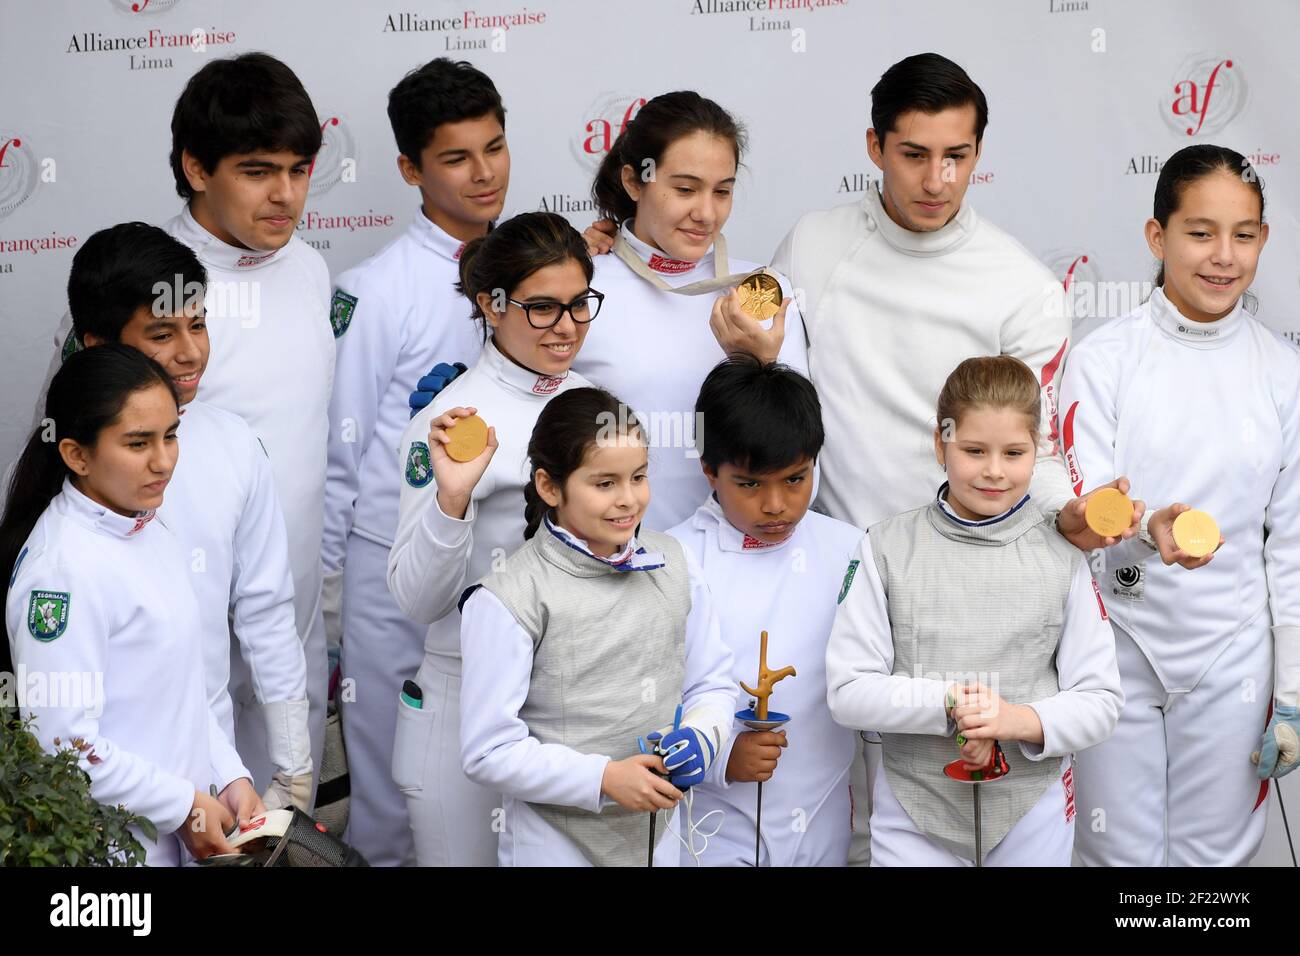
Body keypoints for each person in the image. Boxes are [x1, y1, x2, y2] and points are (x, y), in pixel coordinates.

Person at [1060, 144, 1300, 866]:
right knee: (1114, 857)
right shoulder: (1102, 361)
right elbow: (1082, 510)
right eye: (1200, 233)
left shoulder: (1283, 373)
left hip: (1232, 656)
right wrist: (1144, 526)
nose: (1224, 256)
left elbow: (1290, 548)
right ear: (1157, 237)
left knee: (1215, 862)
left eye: (1245, 234)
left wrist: (1290, 691)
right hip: (1116, 647)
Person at [826, 355, 1122, 865]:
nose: (993, 470)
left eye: (1013, 452)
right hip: (913, 807)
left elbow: (1101, 700)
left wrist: (1015, 719)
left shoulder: (1062, 555)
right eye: (973, 450)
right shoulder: (884, 548)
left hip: (1033, 806)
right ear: (941, 445)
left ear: (1038, 451)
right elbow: (849, 692)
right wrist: (950, 703)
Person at [324, 57, 509, 866]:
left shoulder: (540, 269)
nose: (484, 174)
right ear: (409, 169)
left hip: (507, 566)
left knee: (504, 782)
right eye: (456, 157)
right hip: (389, 575)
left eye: (495, 148)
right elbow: (340, 454)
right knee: (391, 796)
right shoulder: (375, 291)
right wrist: (330, 600)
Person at [64, 222, 312, 812]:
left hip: (216, 775)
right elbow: (66, 733)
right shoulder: (68, 468)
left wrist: (293, 765)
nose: (190, 351)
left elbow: (267, 610)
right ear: (98, 344)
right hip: (101, 806)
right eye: (161, 332)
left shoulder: (231, 443)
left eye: (197, 324)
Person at [387, 212, 599, 865]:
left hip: (573, 703)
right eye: (542, 308)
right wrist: (453, 499)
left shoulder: (593, 402)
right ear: (491, 304)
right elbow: (418, 602)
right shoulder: (450, 418)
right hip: (462, 700)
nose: (566, 327)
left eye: (580, 304)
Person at [458, 386, 736, 866]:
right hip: (553, 841)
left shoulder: (676, 561)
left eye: (639, 477)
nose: (628, 500)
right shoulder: (509, 597)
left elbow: (712, 681)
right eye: (605, 483)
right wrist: (603, 778)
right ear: (550, 487)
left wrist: (702, 735)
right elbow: (489, 750)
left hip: (662, 834)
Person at [2, 346, 257, 865]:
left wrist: (228, 773)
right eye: (138, 443)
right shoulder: (61, 574)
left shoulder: (147, 524)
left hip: (179, 839)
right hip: (108, 856)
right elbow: (61, 745)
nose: (163, 461)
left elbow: (182, 690)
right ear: (76, 454)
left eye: (171, 435)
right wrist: (184, 805)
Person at [164, 52, 333, 796]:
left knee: (283, 830)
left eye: (299, 170)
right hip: (180, 639)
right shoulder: (152, 286)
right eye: (259, 170)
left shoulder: (308, 270)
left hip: (288, 624)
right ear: (197, 168)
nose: (286, 195)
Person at [574, 90, 810, 532]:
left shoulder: (763, 291)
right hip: (616, 570)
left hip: (736, 571)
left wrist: (760, 368)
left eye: (722, 191)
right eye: (685, 189)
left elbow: (803, 474)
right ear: (633, 181)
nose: (706, 212)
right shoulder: (580, 288)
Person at [667, 356, 861, 866]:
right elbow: (641, 696)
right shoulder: (674, 560)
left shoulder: (853, 551)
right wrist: (719, 758)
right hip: (711, 819)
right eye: (750, 484)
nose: (776, 505)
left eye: (795, 479)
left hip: (822, 813)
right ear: (710, 469)